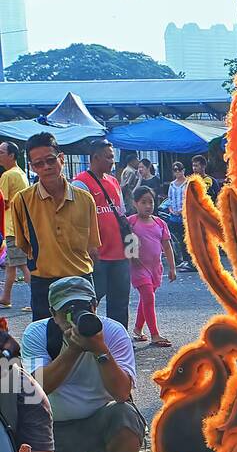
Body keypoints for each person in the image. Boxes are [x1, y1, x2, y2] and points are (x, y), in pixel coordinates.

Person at [21, 275, 145, 452]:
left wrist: (100, 349)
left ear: (95, 307)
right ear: (53, 313)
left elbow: (121, 393)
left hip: (97, 423)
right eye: (67, 310)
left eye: (84, 307)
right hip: (52, 429)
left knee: (127, 416)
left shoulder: (112, 332)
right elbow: (40, 387)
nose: (75, 316)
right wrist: (74, 350)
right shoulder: (37, 333)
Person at [10, 133, 101, 321]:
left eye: (51, 160)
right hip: (43, 282)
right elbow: (23, 244)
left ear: (61, 158)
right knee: (48, 339)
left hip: (80, 279)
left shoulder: (85, 199)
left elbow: (92, 247)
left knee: (85, 339)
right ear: (32, 167)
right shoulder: (22, 201)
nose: (46, 167)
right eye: (38, 164)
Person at [74, 139, 131, 330]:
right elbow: (78, 220)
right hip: (96, 255)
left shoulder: (114, 181)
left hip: (120, 253)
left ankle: (119, 338)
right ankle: (87, 338)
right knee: (92, 299)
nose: (112, 161)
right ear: (95, 158)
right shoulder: (80, 183)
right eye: (109, 157)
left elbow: (121, 214)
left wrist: (132, 247)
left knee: (120, 301)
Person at [128, 185, 176, 346]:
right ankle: (155, 334)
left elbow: (167, 246)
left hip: (156, 268)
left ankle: (137, 329)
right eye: (143, 202)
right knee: (148, 297)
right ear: (135, 203)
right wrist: (131, 256)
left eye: (151, 202)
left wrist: (172, 268)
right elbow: (126, 243)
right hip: (138, 268)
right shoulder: (130, 222)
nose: (148, 206)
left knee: (146, 299)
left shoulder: (160, 223)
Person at [0, 141, 31, 312]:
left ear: (11, 155)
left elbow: (2, 203)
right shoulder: (20, 173)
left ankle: (36, 300)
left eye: (1, 152)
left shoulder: (8, 176)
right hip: (18, 225)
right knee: (13, 264)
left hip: (12, 226)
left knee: (21, 264)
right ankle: (6, 298)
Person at [165, 161, 192, 268]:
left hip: (185, 215)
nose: (177, 172)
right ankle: (182, 259)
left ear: (183, 170)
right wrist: (171, 210)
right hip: (174, 215)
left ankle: (189, 259)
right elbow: (170, 199)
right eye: (175, 170)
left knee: (186, 238)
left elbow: (189, 199)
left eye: (179, 170)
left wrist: (182, 210)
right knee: (177, 239)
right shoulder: (172, 185)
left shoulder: (188, 183)